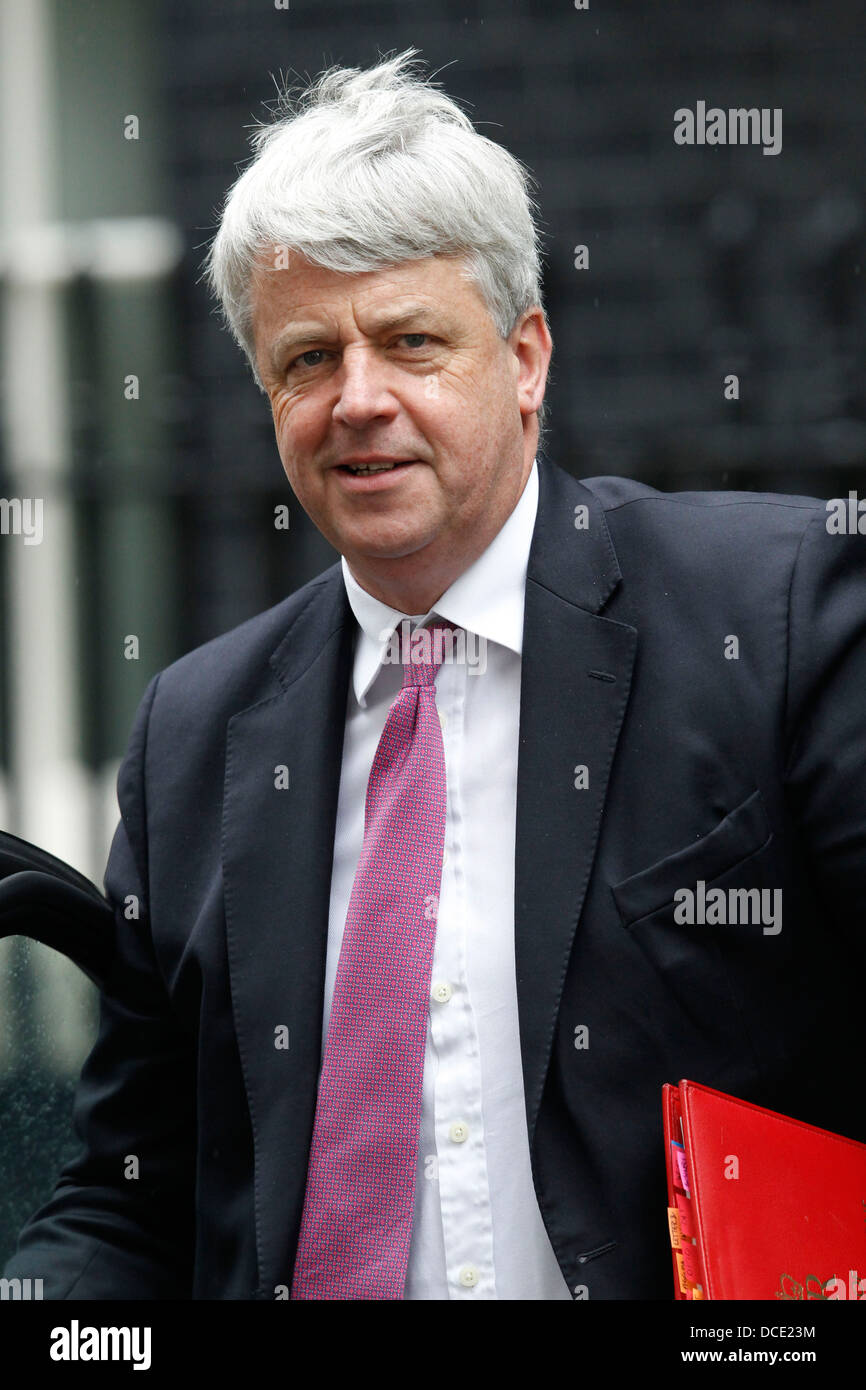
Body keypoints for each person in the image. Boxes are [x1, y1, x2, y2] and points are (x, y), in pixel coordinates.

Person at [4, 47, 865, 1301]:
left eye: (411, 341)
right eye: (307, 359)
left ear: (523, 360)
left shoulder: (775, 612)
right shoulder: (195, 729)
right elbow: (135, 1188)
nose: (357, 400)